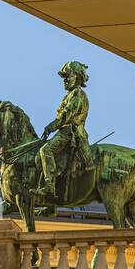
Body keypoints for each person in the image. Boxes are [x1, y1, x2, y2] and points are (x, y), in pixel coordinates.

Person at [33, 61, 90, 202]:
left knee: (45, 151)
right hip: (66, 131)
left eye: (67, 76)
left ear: (77, 77)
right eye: (63, 78)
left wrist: (51, 127)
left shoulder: (77, 94)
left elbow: (66, 114)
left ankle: (49, 186)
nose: (64, 80)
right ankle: (51, 205)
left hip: (71, 132)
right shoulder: (70, 94)